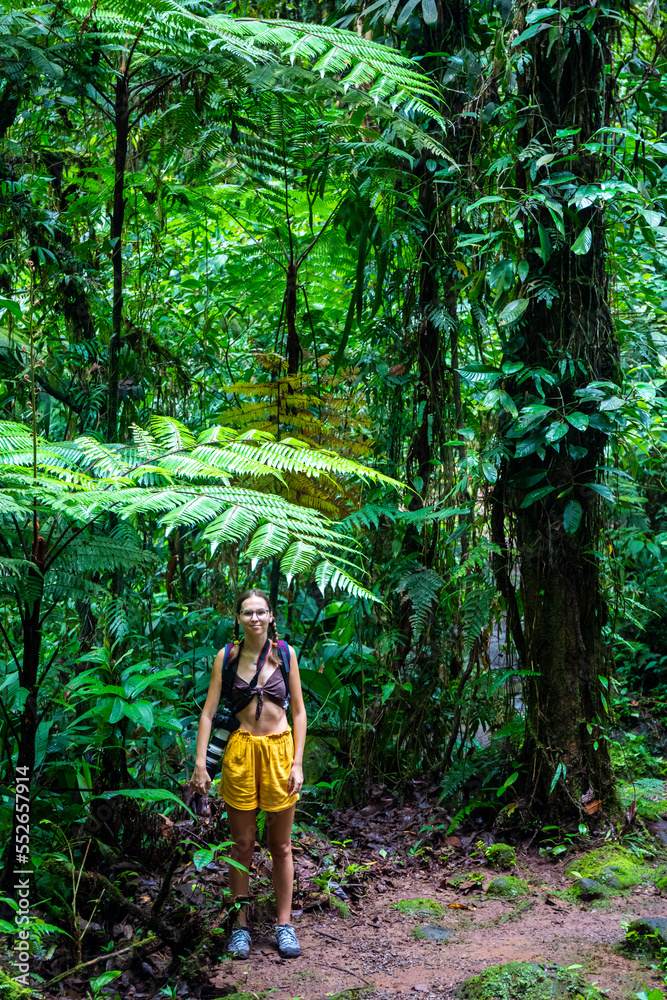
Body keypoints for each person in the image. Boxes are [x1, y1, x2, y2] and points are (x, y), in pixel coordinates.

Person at [191, 588, 307, 960]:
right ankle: (238, 926)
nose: (254, 618)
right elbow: (208, 713)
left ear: (271, 616)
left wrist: (298, 763)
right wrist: (199, 763)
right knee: (242, 846)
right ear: (238, 618)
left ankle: (284, 925)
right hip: (241, 753)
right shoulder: (226, 657)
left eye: (260, 612)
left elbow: (300, 712)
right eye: (247, 612)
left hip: (279, 753)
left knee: (281, 846)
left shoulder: (286, 655)